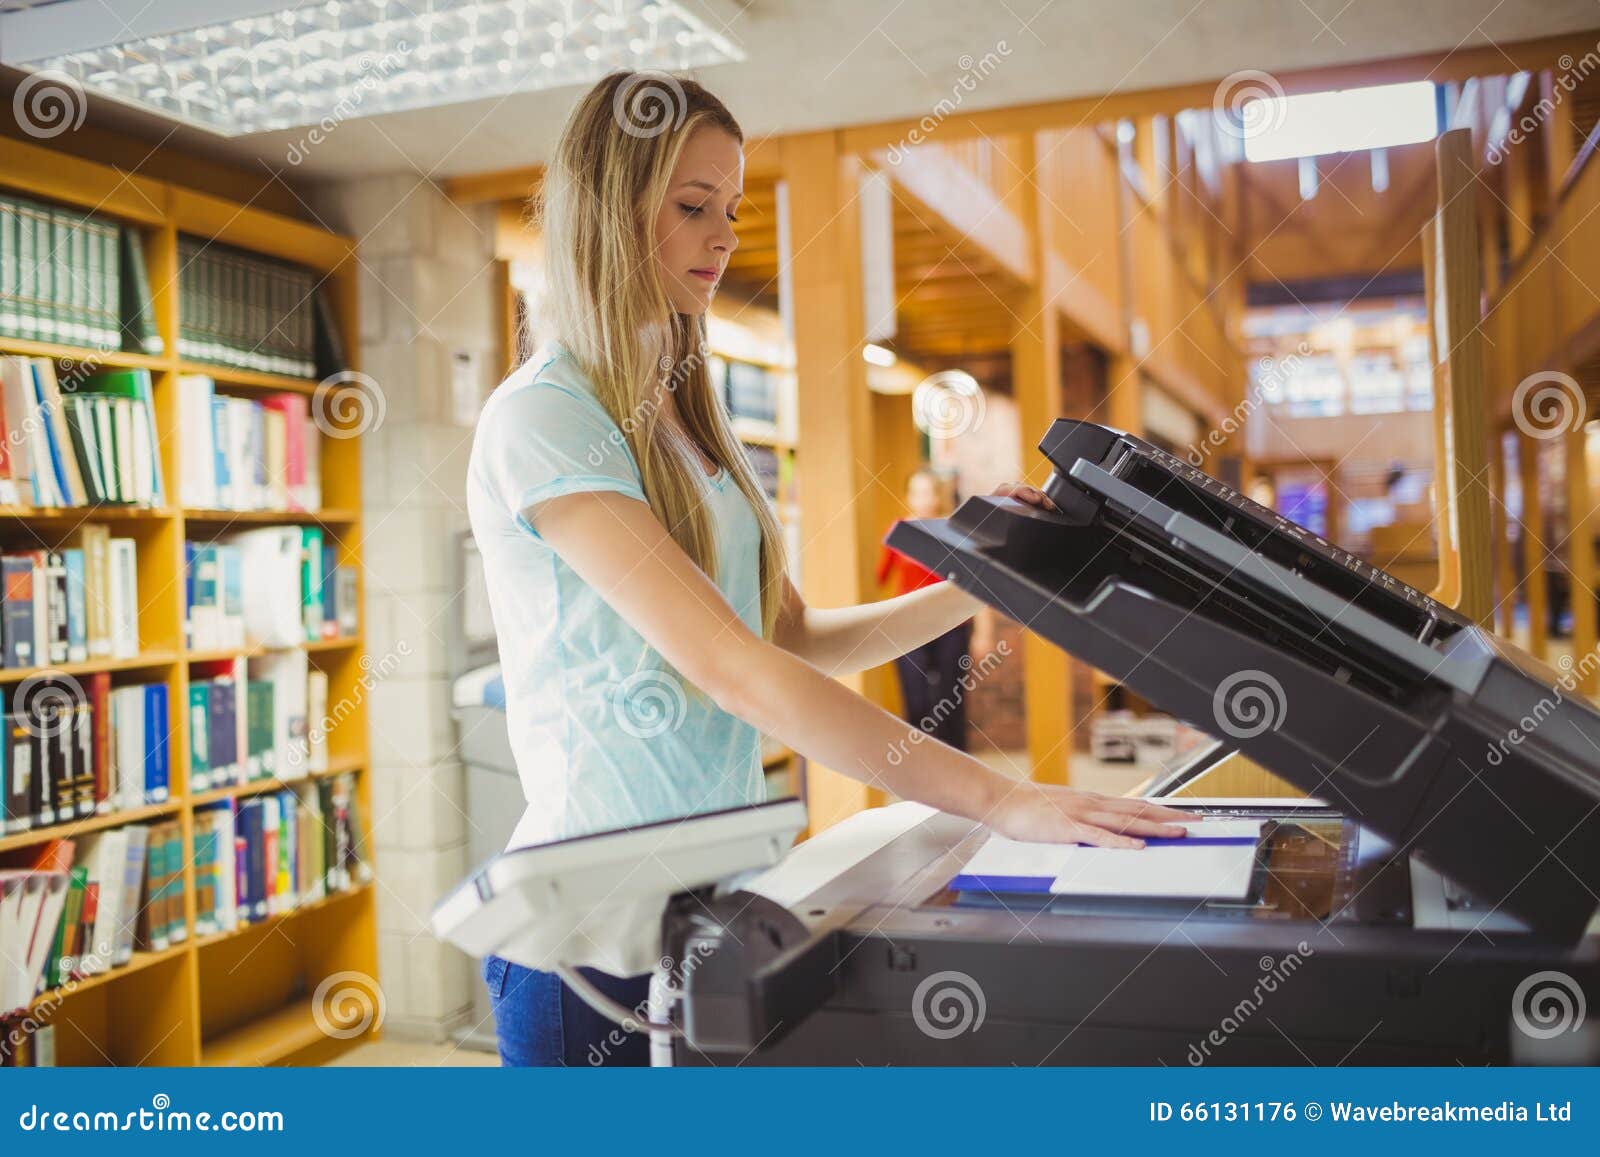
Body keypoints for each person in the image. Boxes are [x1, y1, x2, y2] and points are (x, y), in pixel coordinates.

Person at [465, 70, 1190, 1067]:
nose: (722, 236)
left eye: (729, 208)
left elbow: (789, 635)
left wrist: (987, 582)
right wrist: (1000, 797)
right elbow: (734, 668)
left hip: (707, 905)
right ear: (607, 211)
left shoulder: (685, 417)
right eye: (690, 207)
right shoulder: (546, 416)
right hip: (590, 936)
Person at [877, 468, 997, 750]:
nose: (922, 499)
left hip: (950, 628)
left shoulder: (951, 531)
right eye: (916, 492)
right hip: (908, 629)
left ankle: (957, 772)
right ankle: (919, 772)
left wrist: (984, 631)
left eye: (928, 492)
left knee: (949, 704)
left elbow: (974, 585)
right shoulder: (898, 531)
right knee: (916, 703)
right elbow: (881, 577)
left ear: (937, 497)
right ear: (908, 497)